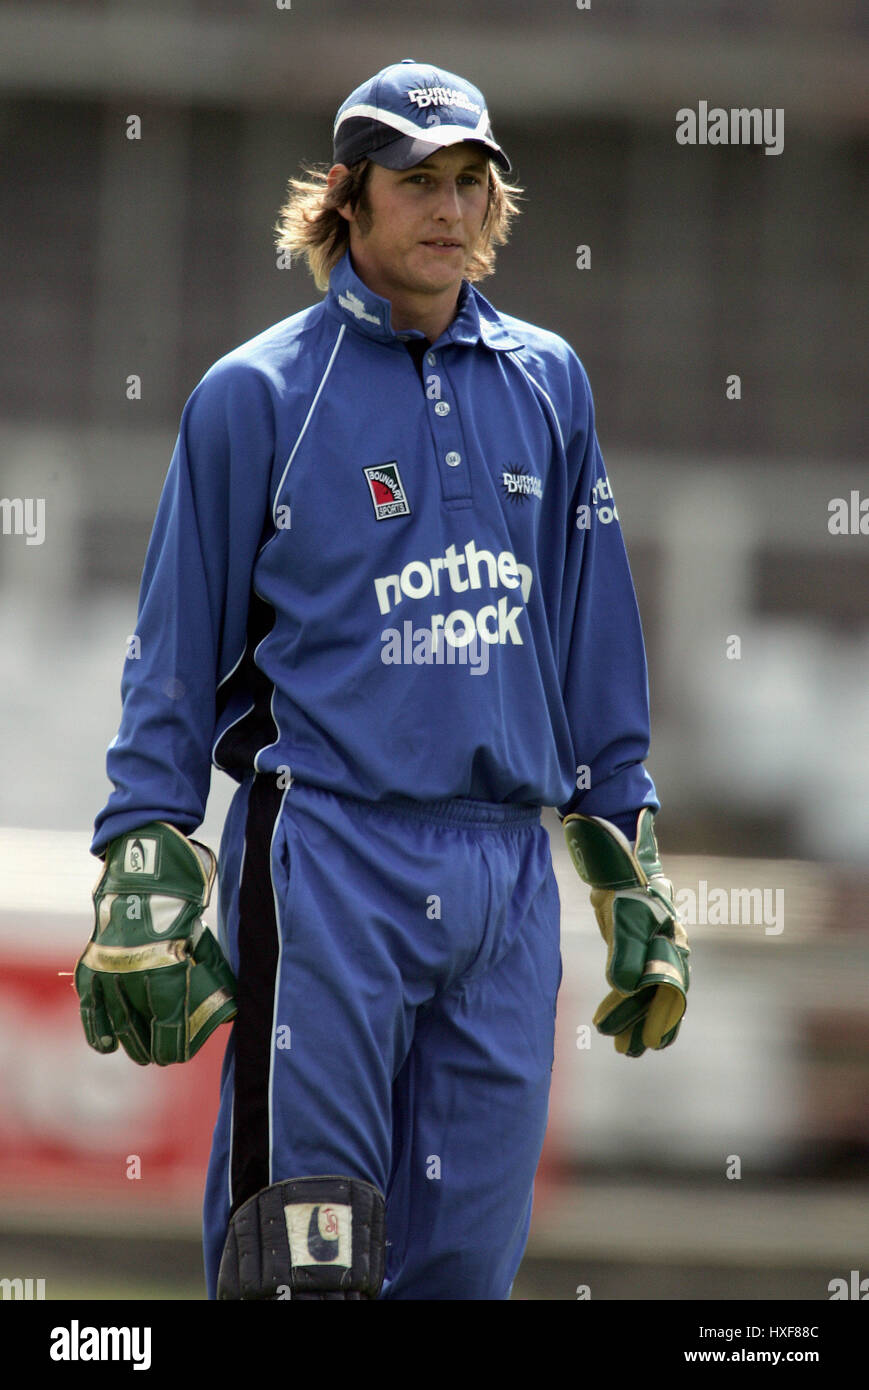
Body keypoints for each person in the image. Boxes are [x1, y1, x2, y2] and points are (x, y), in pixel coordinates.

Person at [75, 59, 689, 1302]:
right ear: (347, 200)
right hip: (329, 858)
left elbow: (591, 635)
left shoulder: (548, 383)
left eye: (470, 182)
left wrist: (623, 846)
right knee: (307, 1259)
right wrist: (145, 842)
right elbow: (175, 646)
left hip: (505, 878)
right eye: (417, 183)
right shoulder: (254, 395)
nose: (449, 209)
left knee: (461, 1270)